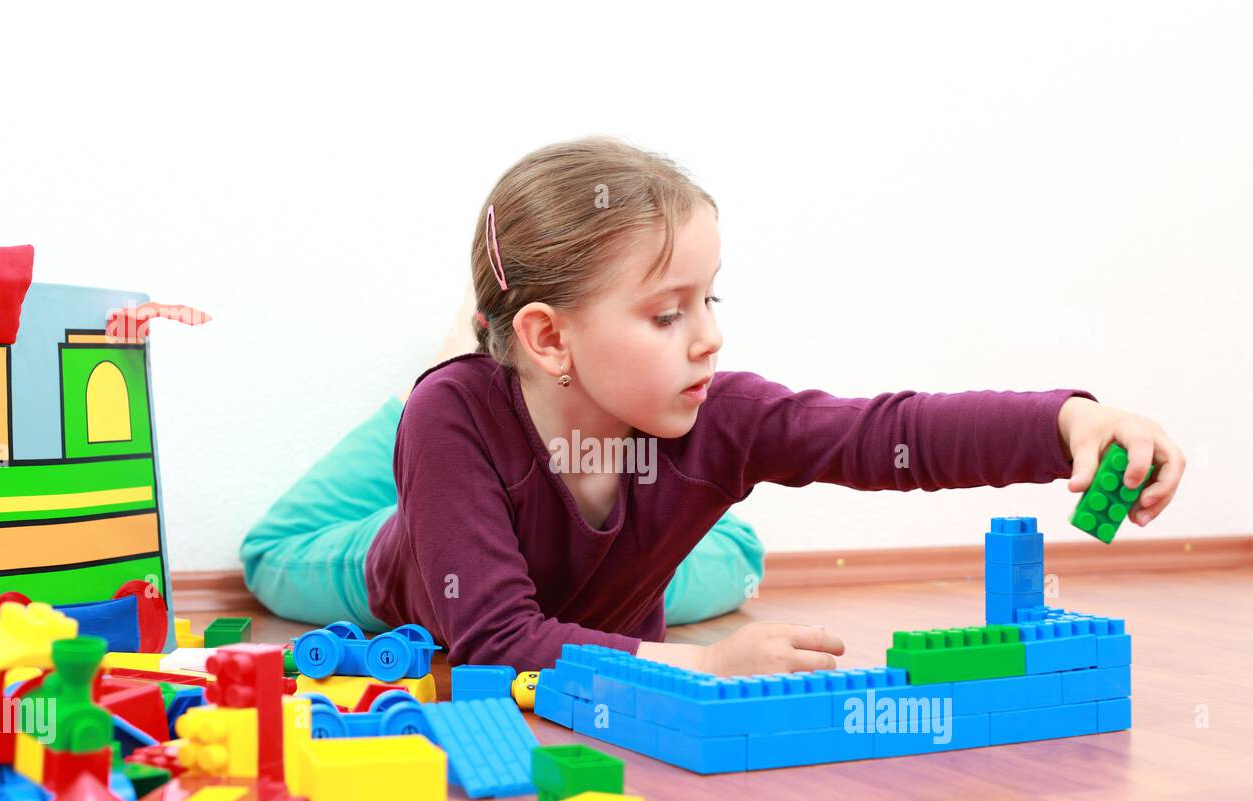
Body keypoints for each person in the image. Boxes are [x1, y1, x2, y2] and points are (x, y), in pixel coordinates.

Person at [243, 136, 1184, 675]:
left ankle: (484, 365)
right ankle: (460, 354)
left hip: (577, 521)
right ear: (550, 336)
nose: (710, 338)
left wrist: (1069, 421)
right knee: (272, 557)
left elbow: (881, 433)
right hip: (397, 565)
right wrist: (706, 666)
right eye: (666, 314)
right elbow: (493, 641)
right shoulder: (454, 422)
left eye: (709, 300)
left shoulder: (715, 411)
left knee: (721, 565)